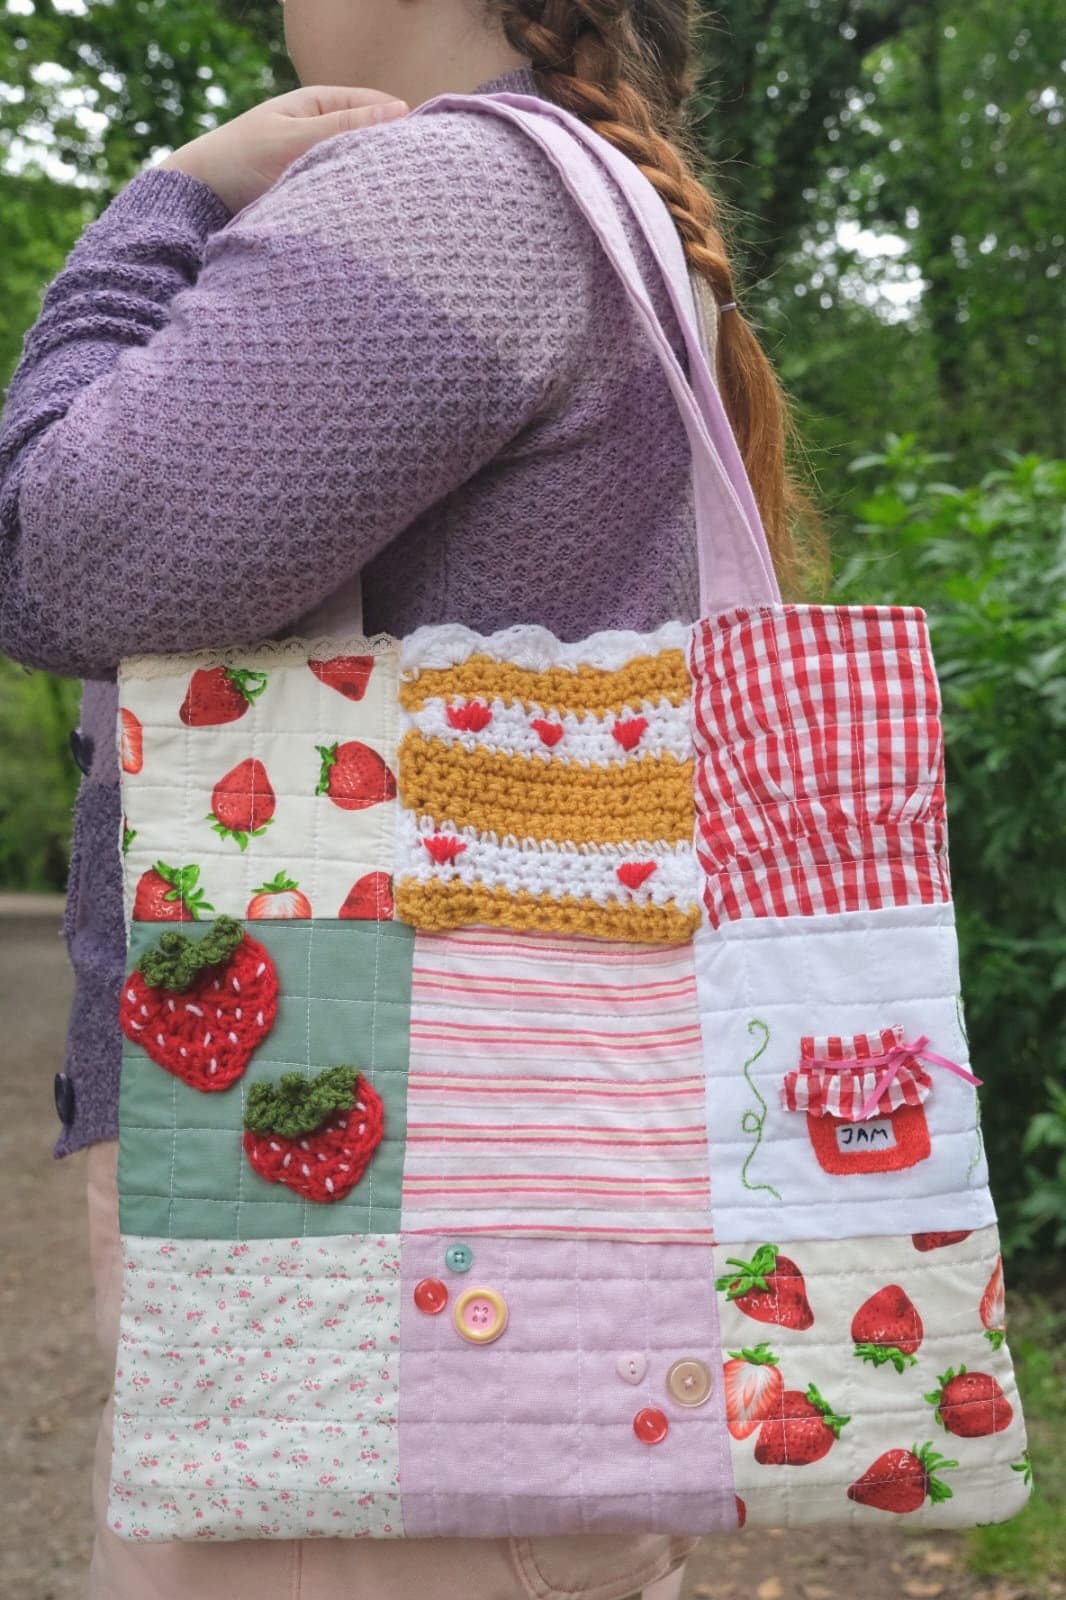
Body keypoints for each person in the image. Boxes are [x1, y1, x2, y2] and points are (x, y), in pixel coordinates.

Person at [0, 1, 826, 1595]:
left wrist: (159, 202)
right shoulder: (551, 195)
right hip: (469, 1195)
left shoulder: (449, 198)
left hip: (378, 1211)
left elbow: (64, 558)